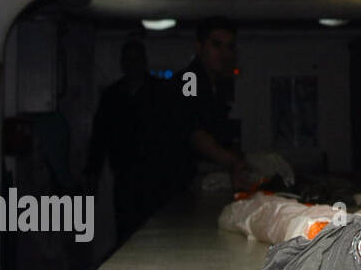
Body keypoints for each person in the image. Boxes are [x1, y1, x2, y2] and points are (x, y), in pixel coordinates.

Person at [85, 39, 166, 241]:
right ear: (122, 63)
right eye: (128, 60)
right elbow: (99, 138)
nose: (132, 64)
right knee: (126, 229)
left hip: (156, 176)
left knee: (156, 229)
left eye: (136, 59)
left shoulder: (160, 92)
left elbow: (172, 134)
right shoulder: (112, 96)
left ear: (144, 62)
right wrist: (92, 175)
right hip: (124, 176)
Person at [177, 16, 252, 191]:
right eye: (217, 45)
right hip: (175, 185)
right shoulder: (190, 80)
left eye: (230, 47)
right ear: (199, 47)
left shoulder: (217, 86)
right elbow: (194, 132)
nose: (224, 54)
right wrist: (232, 161)